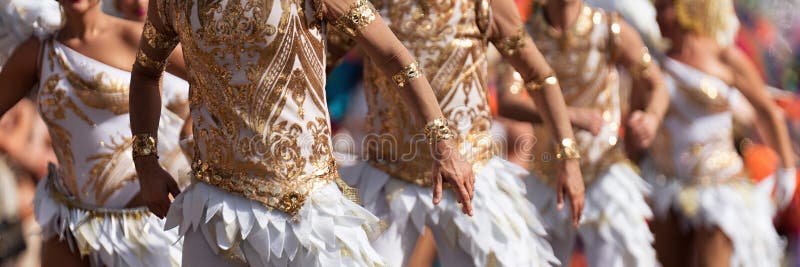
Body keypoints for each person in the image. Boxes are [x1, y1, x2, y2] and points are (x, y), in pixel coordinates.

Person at [128, 0, 478, 266]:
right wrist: (145, 162)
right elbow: (146, 70)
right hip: (215, 211)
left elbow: (392, 54)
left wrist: (443, 144)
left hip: (307, 211)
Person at [329, 0, 587, 264]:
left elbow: (538, 75)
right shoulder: (371, 3)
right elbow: (316, 60)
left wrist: (568, 155)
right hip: (387, 174)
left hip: (470, 179)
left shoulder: (485, 4)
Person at [0, 0, 190, 265]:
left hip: (144, 223)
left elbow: (215, 83)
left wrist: (193, 137)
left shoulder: (136, 36)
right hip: (70, 225)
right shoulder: (38, 52)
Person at [496, 1, 669, 266]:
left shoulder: (611, 29)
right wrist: (570, 115)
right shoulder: (525, 34)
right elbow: (507, 100)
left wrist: (651, 118)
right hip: (548, 175)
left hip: (604, 167)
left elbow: (656, 83)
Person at [645, 0, 794, 265]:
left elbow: (767, 112)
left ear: (684, 10)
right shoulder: (653, 62)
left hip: (719, 188)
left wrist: (786, 169)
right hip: (668, 183)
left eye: (663, 8)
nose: (655, 16)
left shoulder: (724, 56)